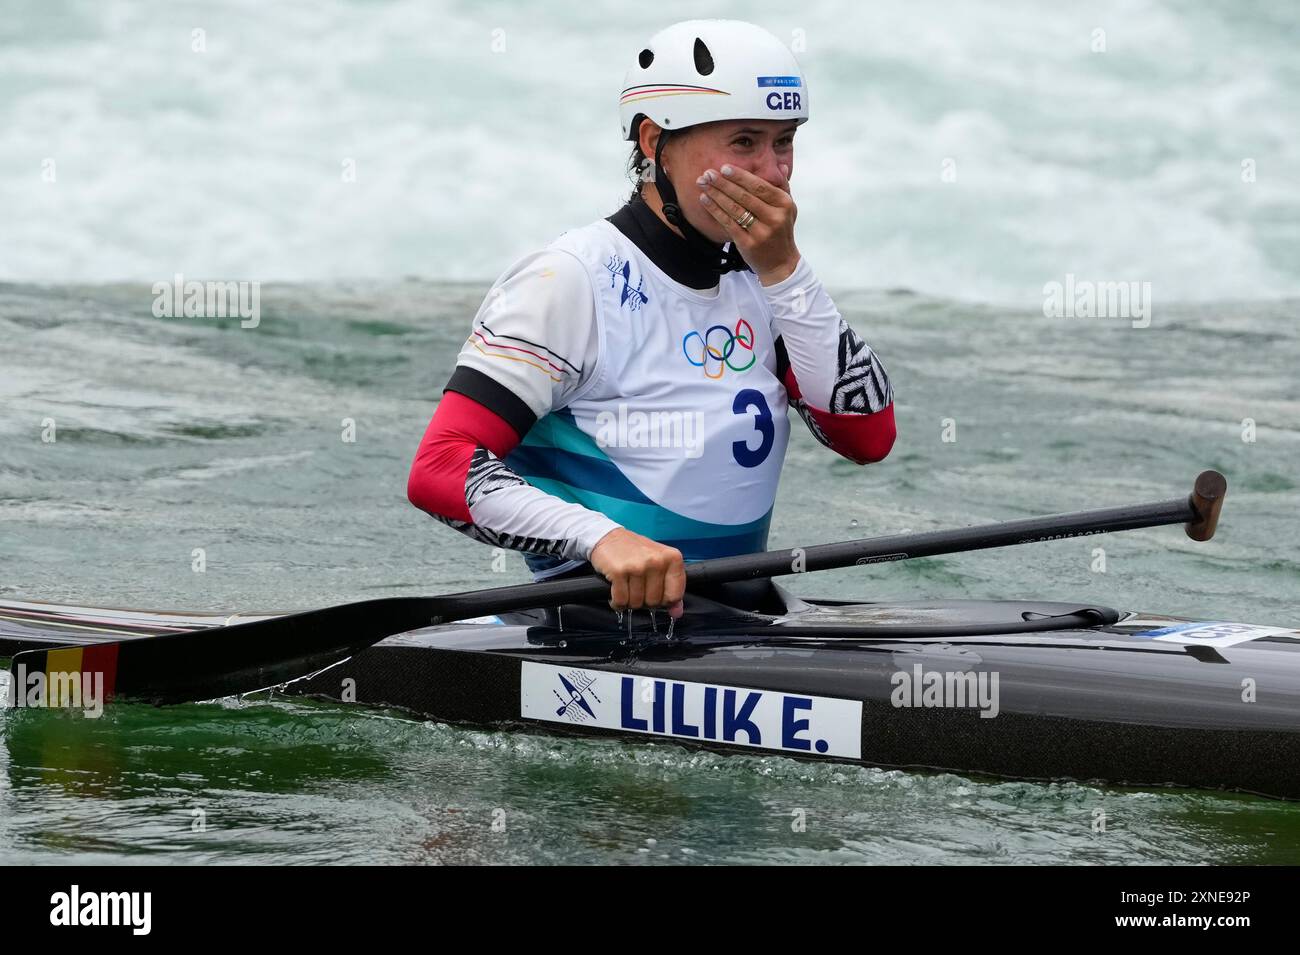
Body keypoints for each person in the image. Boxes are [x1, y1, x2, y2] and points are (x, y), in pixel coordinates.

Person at [408, 19, 895, 619]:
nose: (774, 172)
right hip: (595, 623)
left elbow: (868, 438)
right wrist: (600, 538)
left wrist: (788, 272)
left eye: (784, 141)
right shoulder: (569, 280)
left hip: (742, 617)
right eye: (744, 142)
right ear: (652, 142)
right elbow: (440, 465)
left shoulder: (769, 280)